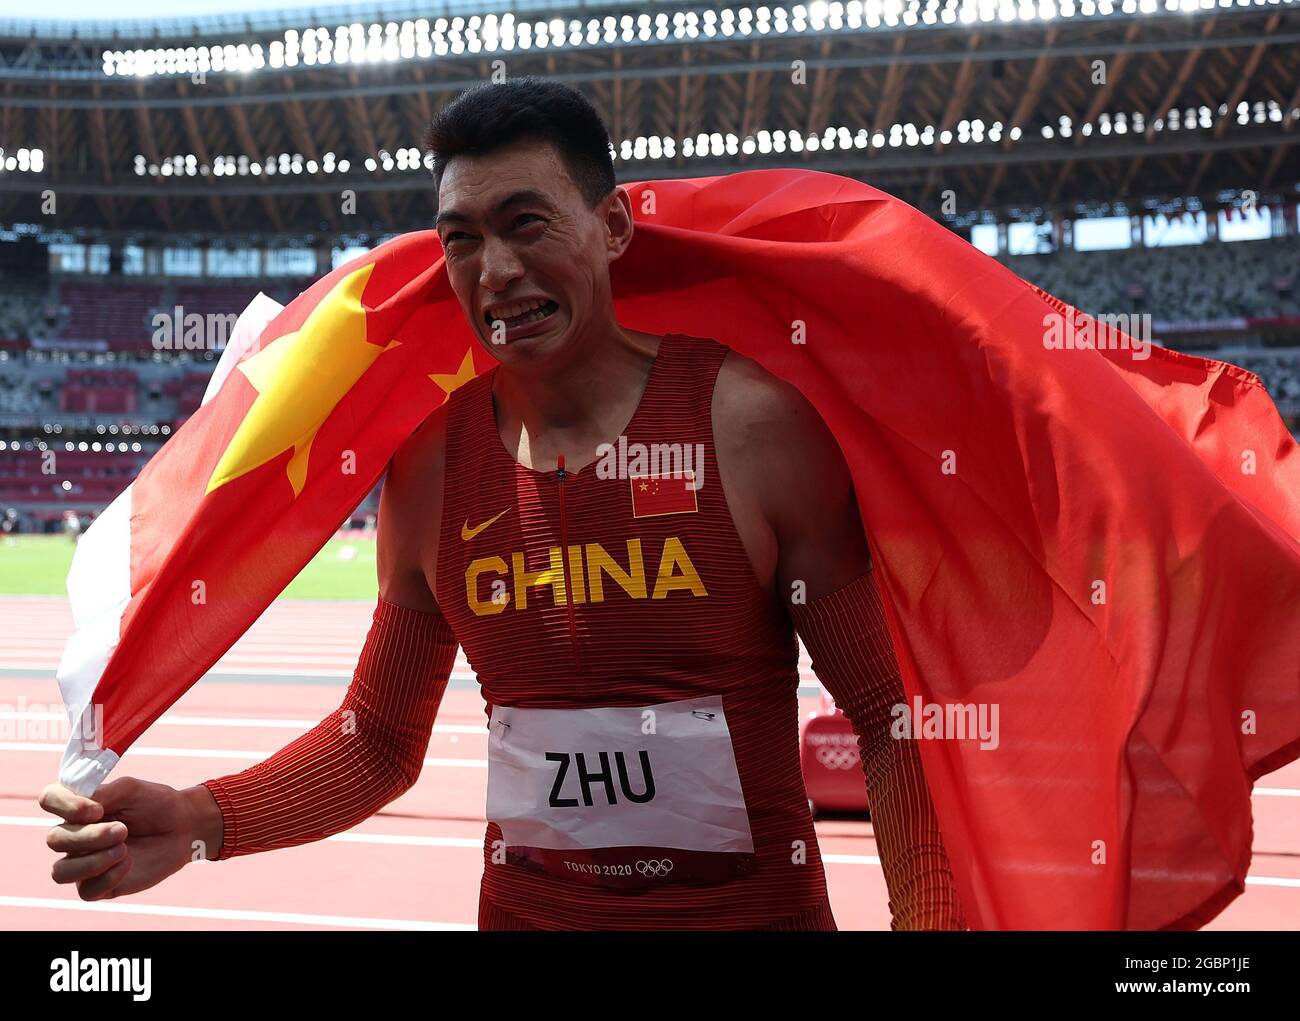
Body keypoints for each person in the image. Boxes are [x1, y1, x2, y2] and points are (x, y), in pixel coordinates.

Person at [41, 78, 964, 930]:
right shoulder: (434, 467)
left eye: (527, 224)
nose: (496, 271)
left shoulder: (752, 427)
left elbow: (890, 718)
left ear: (611, 225)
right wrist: (197, 819)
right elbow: (378, 742)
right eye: (463, 237)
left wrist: (925, 918)